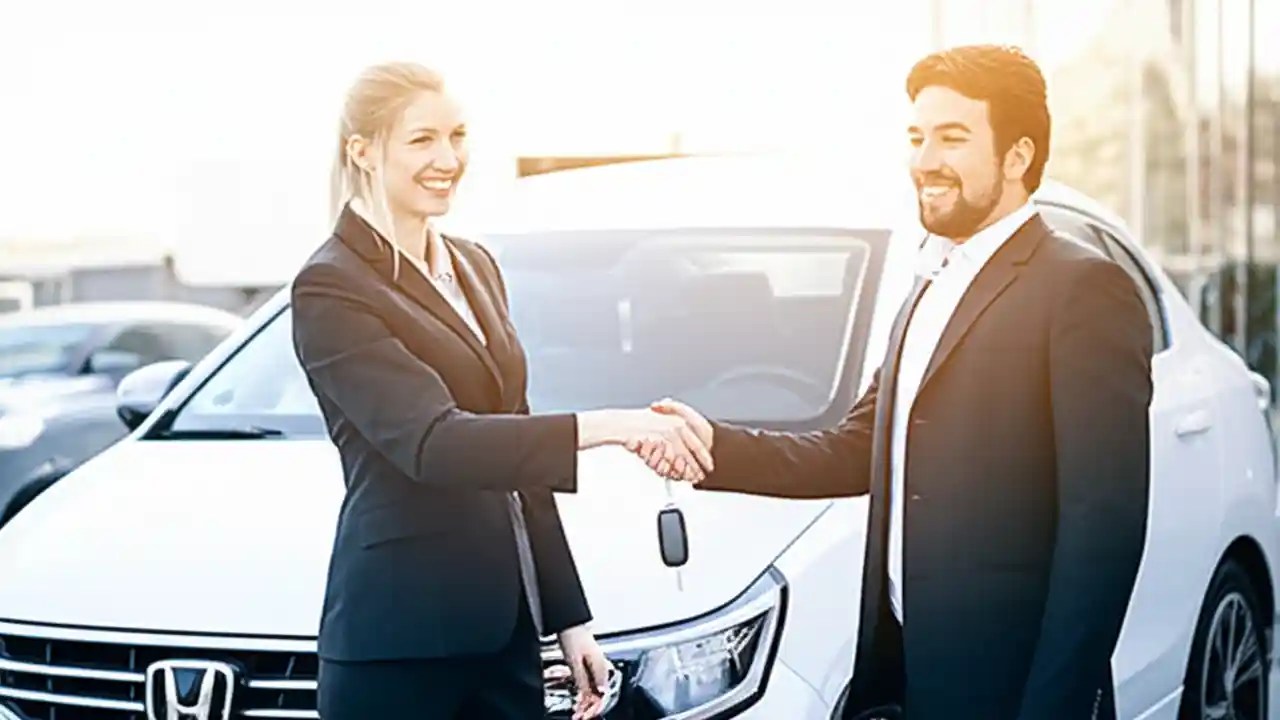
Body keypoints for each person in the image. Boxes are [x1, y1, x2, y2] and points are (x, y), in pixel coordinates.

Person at [634, 45, 1154, 720]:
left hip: (1017, 686)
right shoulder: (927, 283)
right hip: (913, 674)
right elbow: (858, 450)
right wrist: (715, 446)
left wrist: (1055, 705)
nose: (925, 160)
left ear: (1018, 156)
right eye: (916, 137)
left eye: (952, 137)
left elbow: (1103, 530)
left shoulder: (1082, 288)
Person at [290, 62, 712, 720]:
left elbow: (517, 455)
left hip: (504, 636)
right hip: (399, 648)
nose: (448, 159)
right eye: (422, 140)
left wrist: (570, 622)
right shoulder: (332, 286)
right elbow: (435, 443)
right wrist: (614, 426)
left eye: (457, 136)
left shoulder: (475, 265)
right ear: (362, 151)